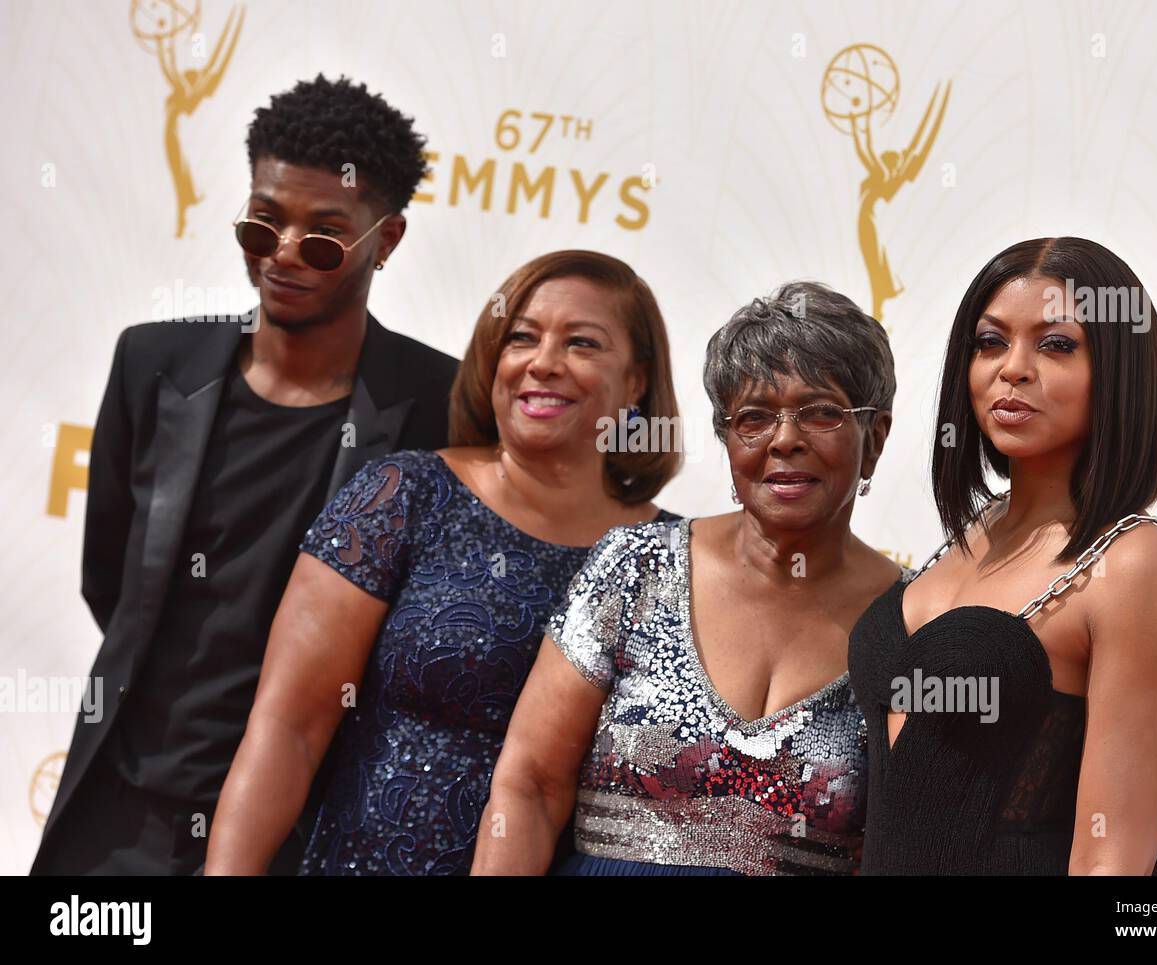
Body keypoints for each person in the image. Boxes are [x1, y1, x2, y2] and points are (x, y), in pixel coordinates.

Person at [31, 75, 457, 876]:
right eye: (263, 224)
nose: (285, 256)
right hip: (114, 817)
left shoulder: (437, 403)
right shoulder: (152, 363)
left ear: (387, 240)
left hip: (295, 832)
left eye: (325, 237)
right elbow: (113, 580)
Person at [204, 250, 681, 875]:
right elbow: (288, 728)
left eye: (582, 343)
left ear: (638, 381)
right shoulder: (405, 494)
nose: (543, 362)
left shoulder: (671, 560)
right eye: (523, 337)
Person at [472, 281, 903, 876]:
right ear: (727, 439)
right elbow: (530, 787)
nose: (784, 440)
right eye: (753, 418)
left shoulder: (909, 617)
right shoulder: (635, 567)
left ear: (874, 438)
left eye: (822, 413)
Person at [847, 236, 1157, 875]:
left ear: (1120, 372)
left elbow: (1112, 860)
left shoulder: (1133, 563)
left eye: (1056, 344)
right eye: (991, 342)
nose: (1012, 368)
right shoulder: (967, 537)